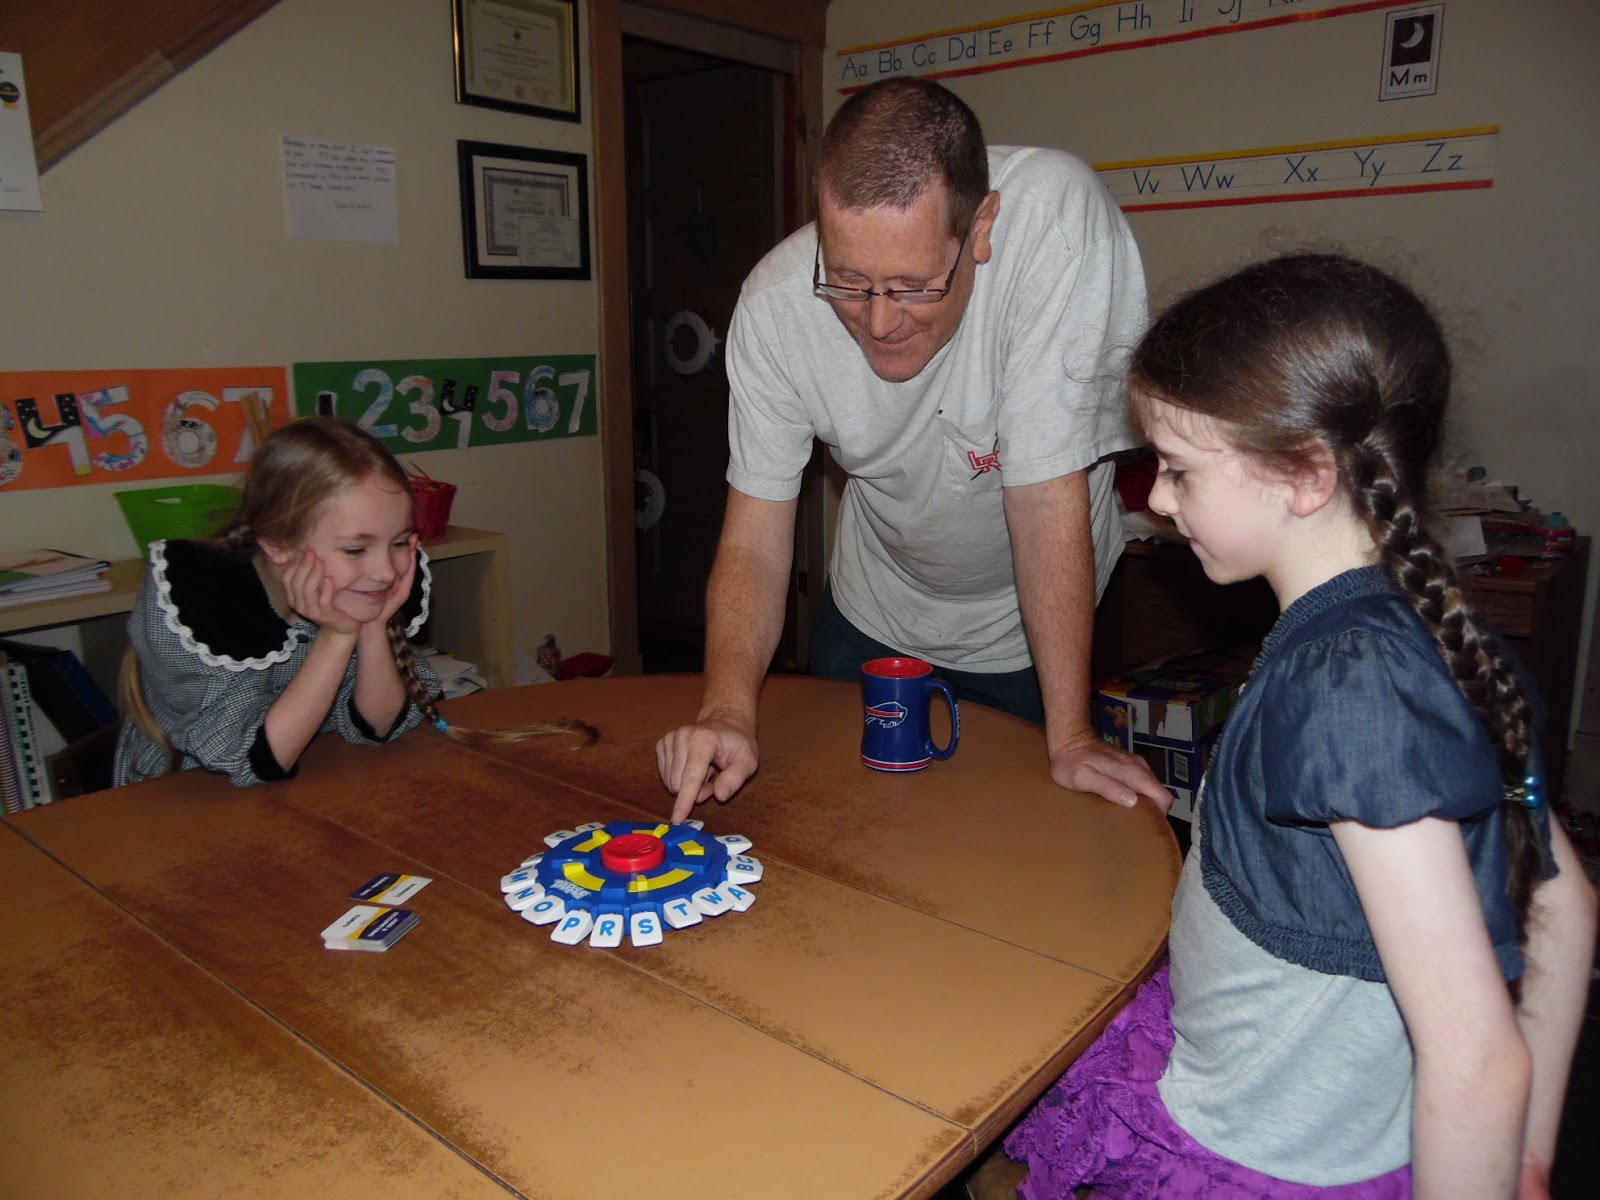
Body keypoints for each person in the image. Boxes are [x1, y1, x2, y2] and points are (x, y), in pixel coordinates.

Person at [1003, 253, 1598, 1198]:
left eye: (1182, 468)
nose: (1156, 496)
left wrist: (1501, 1143)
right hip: (1268, 1078)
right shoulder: (1427, 619)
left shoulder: (1351, 686)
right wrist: (1524, 1157)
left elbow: (1480, 1059)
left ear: (1307, 474)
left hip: (1263, 1148)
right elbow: (1565, 906)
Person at [656, 77, 1168, 822]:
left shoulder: (1058, 220)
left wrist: (1073, 735)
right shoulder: (773, 308)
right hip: (874, 610)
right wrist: (728, 709)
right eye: (850, 281)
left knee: (1014, 857)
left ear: (983, 225)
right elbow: (757, 543)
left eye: (913, 286)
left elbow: (1041, 497)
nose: (879, 320)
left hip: (1031, 630)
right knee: (854, 840)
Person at [115, 417, 593, 787]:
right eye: (355, 549)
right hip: (184, 804)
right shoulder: (199, 597)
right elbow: (258, 760)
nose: (385, 571)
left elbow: (379, 726)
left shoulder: (361, 583)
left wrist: (371, 625)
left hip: (314, 789)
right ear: (277, 544)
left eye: (402, 541)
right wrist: (337, 635)